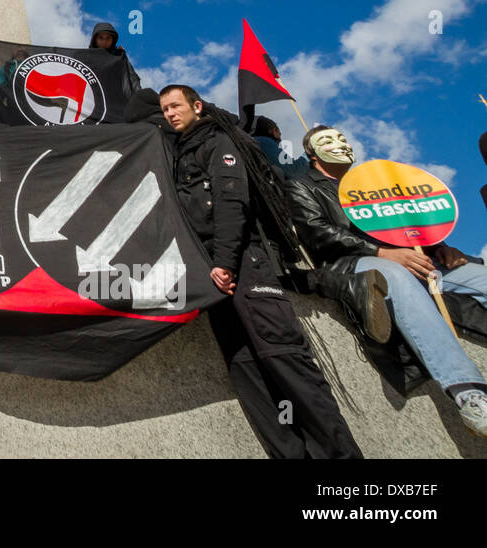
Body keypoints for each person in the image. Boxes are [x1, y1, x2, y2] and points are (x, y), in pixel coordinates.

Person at [158, 85, 361, 458]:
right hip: (213, 278)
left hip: (244, 266)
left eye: (176, 106)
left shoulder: (218, 141)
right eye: (165, 109)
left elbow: (231, 202)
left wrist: (225, 261)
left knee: (286, 362)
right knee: (247, 371)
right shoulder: (178, 151)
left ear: (197, 106)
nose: (170, 114)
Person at [285, 124, 487, 438]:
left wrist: (440, 247)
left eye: (343, 138)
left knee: (481, 277)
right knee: (393, 276)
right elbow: (317, 232)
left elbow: (410, 222)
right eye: (327, 141)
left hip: (419, 258)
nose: (340, 144)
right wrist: (380, 251)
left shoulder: (378, 183)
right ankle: (470, 394)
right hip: (357, 261)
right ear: (312, 155)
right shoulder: (301, 187)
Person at [89, 22, 142, 94]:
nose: (104, 41)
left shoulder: (119, 57)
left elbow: (132, 78)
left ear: (113, 40)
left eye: (108, 38)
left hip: (115, 97)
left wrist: (140, 97)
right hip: (94, 95)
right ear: (95, 39)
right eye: (101, 38)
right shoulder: (87, 58)